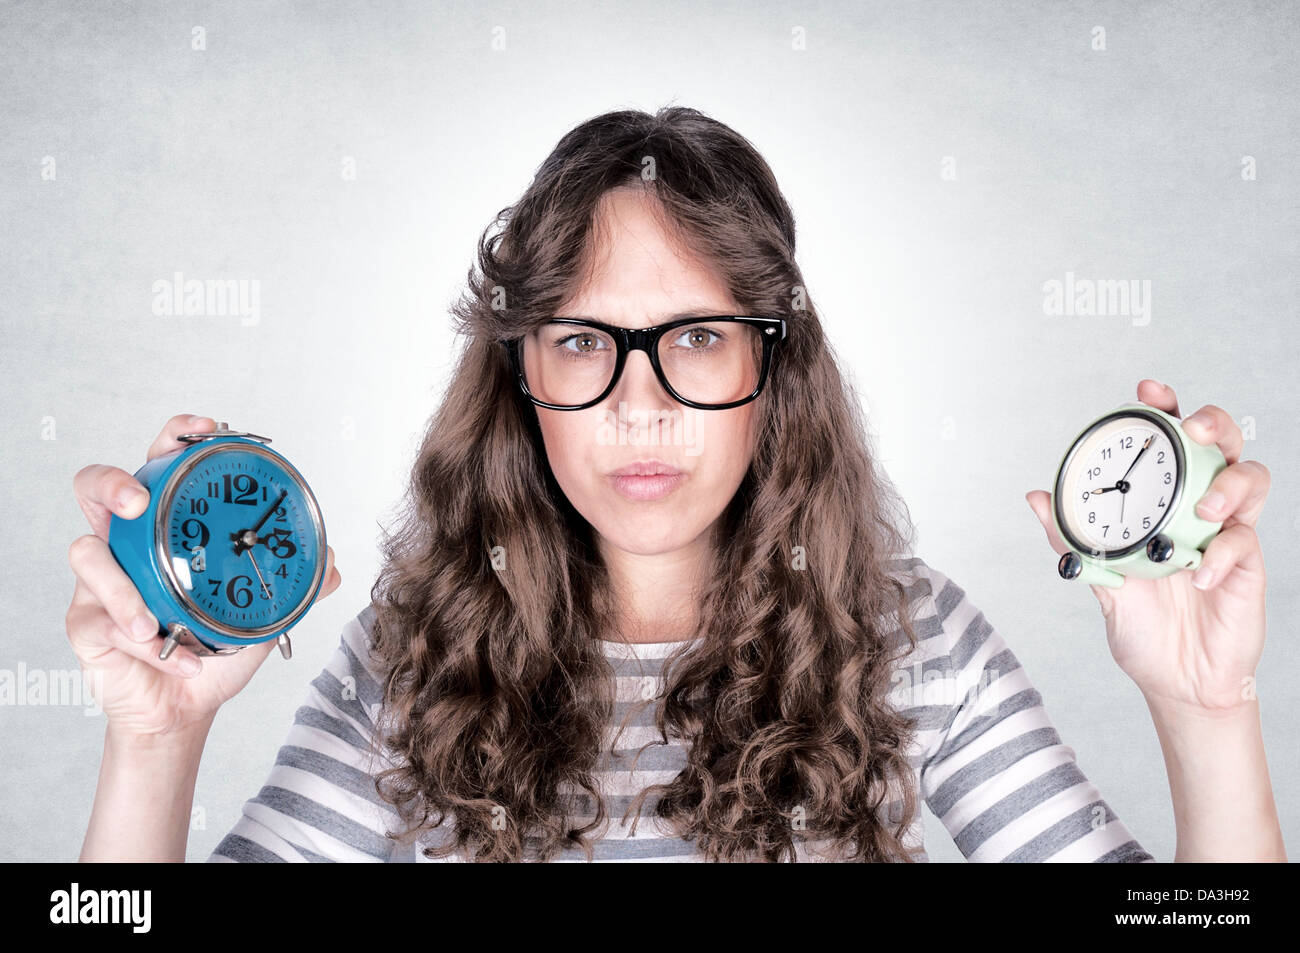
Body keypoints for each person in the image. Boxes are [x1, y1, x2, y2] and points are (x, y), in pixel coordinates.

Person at [69, 107, 1284, 863]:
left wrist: (1204, 709)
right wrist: (154, 740)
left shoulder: (913, 642)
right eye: (585, 339)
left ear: (773, 365)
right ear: (521, 375)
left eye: (697, 335)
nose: (637, 404)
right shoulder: (408, 659)